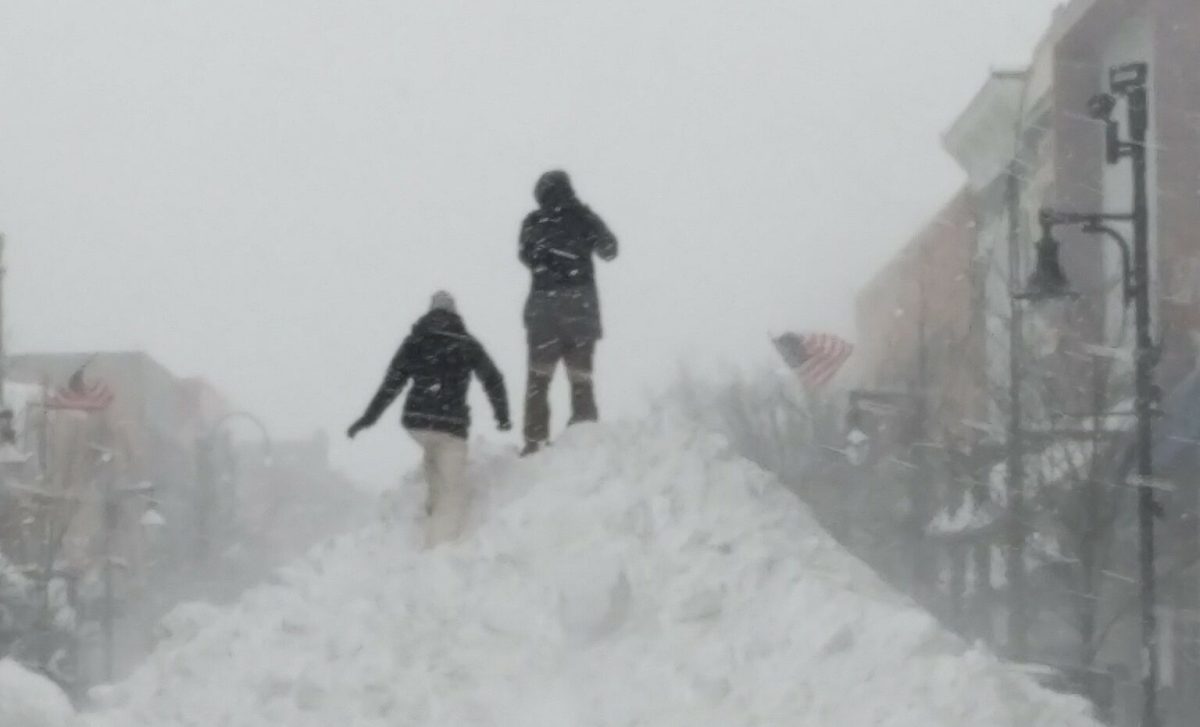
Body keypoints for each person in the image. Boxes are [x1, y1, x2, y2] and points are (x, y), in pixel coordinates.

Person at [347, 291, 510, 546]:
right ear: (455, 312)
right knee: (453, 492)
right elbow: (493, 379)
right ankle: (439, 549)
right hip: (450, 424)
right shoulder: (465, 342)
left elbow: (391, 384)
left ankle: (431, 510)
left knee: (435, 458)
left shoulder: (415, 341)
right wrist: (502, 416)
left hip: (417, 421)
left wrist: (368, 418)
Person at [518, 170, 618, 456]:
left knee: (539, 379)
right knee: (581, 377)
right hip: (581, 310)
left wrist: (549, 253)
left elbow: (526, 255)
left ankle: (535, 441)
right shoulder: (583, 217)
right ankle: (585, 434)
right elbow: (610, 249)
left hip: (544, 312)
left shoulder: (535, 221)